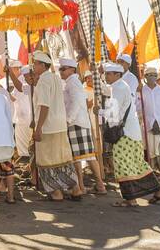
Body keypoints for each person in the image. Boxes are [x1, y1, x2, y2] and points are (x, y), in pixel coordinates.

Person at [102, 63, 160, 208]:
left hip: (124, 134)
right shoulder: (121, 86)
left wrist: (99, 112)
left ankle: (130, 199)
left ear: (117, 75)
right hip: (132, 133)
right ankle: (158, 191)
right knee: (139, 164)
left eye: (109, 74)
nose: (106, 76)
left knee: (122, 165)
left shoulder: (118, 88)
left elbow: (113, 115)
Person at [29, 50, 77, 201]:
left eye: (35, 64)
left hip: (48, 126)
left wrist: (38, 128)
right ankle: (75, 189)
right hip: (60, 124)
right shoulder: (56, 78)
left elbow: (44, 106)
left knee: (47, 160)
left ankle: (56, 193)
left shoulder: (44, 80)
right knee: (62, 158)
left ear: (42, 65)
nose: (33, 67)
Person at [62, 58, 106, 195]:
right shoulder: (72, 82)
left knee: (78, 157)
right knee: (88, 156)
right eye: (60, 69)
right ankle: (99, 185)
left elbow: (76, 102)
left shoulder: (73, 82)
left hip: (76, 123)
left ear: (72, 70)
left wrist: (69, 120)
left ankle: (81, 186)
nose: (61, 72)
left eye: (63, 69)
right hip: (80, 122)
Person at [9, 64, 36, 160]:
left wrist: (10, 73)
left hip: (29, 118)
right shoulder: (26, 83)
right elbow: (18, 90)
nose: (25, 78)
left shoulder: (35, 84)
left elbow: (19, 89)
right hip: (23, 118)